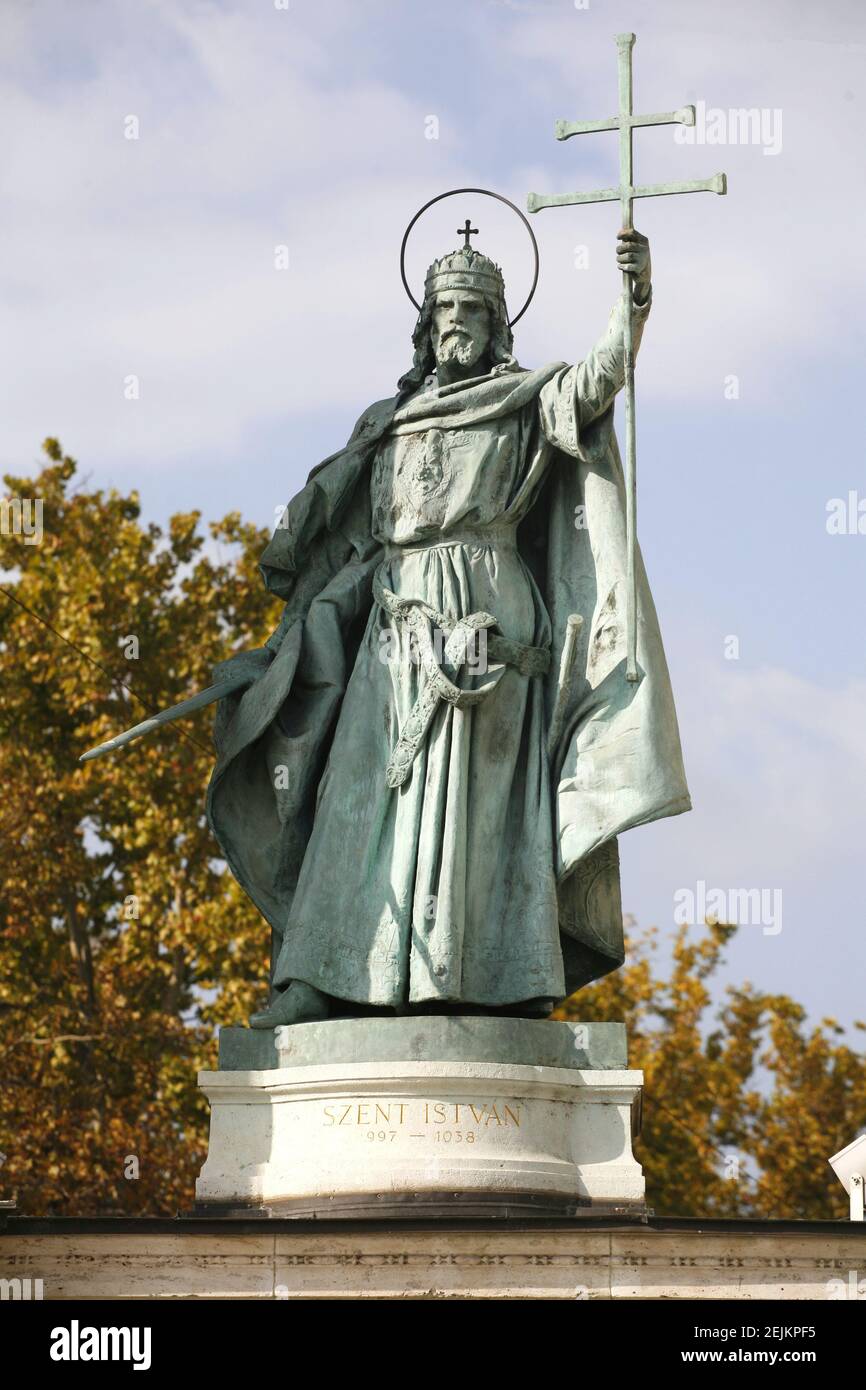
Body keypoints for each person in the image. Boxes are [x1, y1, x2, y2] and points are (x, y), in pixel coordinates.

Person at [206, 229, 690, 1027]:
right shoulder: (389, 420)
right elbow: (351, 542)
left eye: (473, 308)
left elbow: (596, 384)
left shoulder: (523, 401)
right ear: (426, 325)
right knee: (354, 797)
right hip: (393, 630)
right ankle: (319, 974)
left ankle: (496, 975)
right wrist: (290, 644)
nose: (457, 320)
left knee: (480, 808)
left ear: (499, 323)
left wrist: (631, 306)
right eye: (445, 309)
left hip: (484, 619)